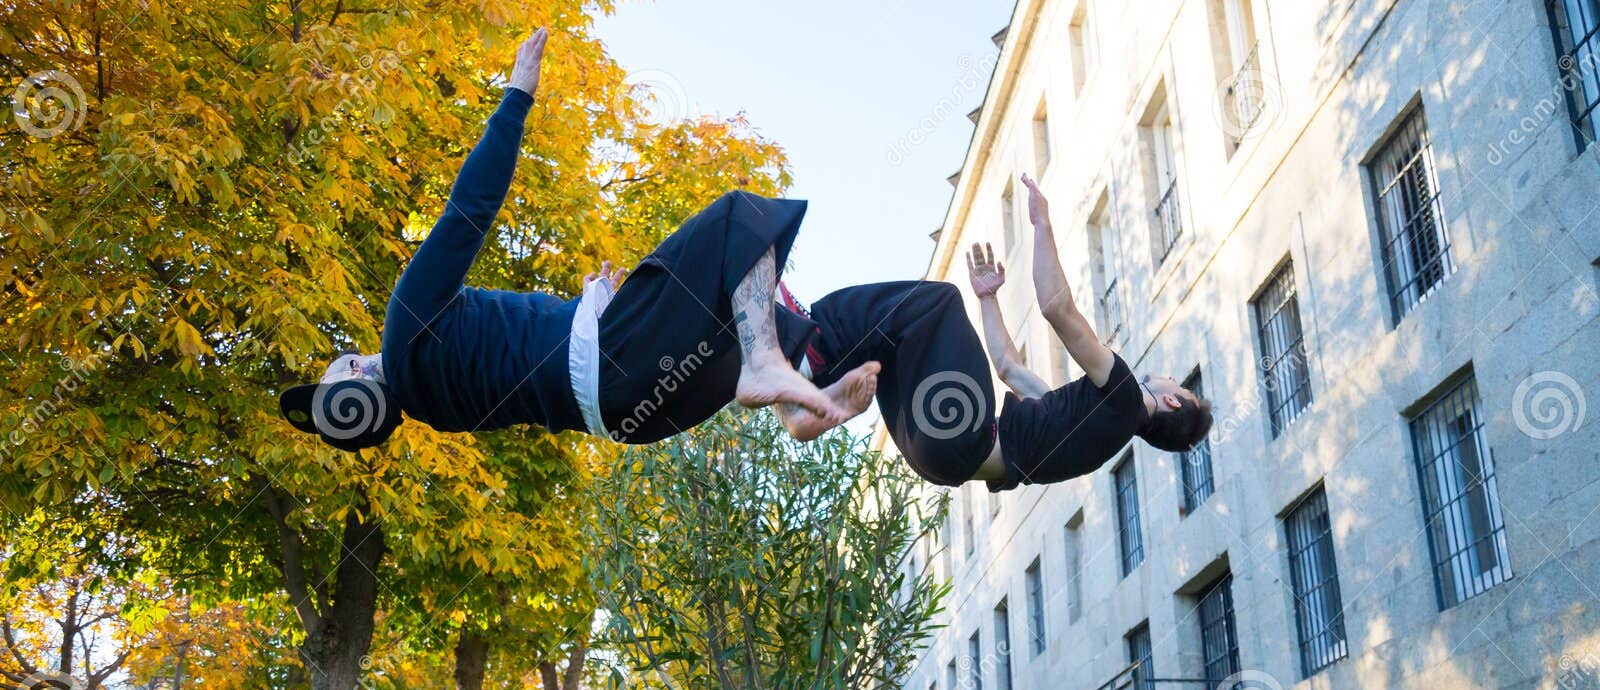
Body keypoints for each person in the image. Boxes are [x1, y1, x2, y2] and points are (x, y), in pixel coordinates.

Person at [280, 26, 877, 451]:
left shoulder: (435, 411)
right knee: (736, 222)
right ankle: (770, 367)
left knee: (734, 301)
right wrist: (515, 99)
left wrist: (590, 309)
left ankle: (794, 404)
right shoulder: (404, 327)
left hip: (629, 413)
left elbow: (524, 367)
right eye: (341, 366)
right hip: (611, 359)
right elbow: (469, 212)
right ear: (357, 369)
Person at [786, 172, 1212, 492]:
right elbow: (1009, 367)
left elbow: (1057, 309)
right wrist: (989, 299)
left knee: (937, 303)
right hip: (937, 455)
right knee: (890, 344)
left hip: (962, 436)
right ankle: (807, 403)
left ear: (1173, 400)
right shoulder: (1092, 425)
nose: (1168, 376)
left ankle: (815, 349)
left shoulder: (1124, 398)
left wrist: (1043, 226)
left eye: (1177, 384)